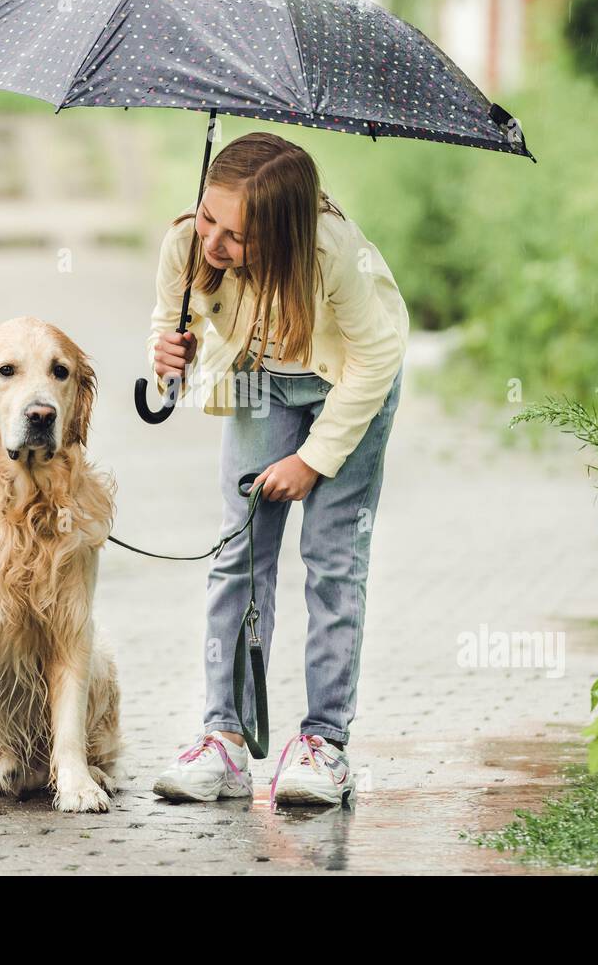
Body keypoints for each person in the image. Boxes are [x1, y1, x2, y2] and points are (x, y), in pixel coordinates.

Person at [145, 131, 409, 807]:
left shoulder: (330, 253)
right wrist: (168, 356)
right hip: (262, 382)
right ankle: (224, 742)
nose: (214, 243)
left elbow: (375, 359)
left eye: (238, 235)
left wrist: (314, 460)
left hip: (347, 384)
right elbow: (176, 322)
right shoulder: (187, 245)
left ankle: (324, 744)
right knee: (240, 554)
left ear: (285, 232)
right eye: (210, 217)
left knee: (332, 559)